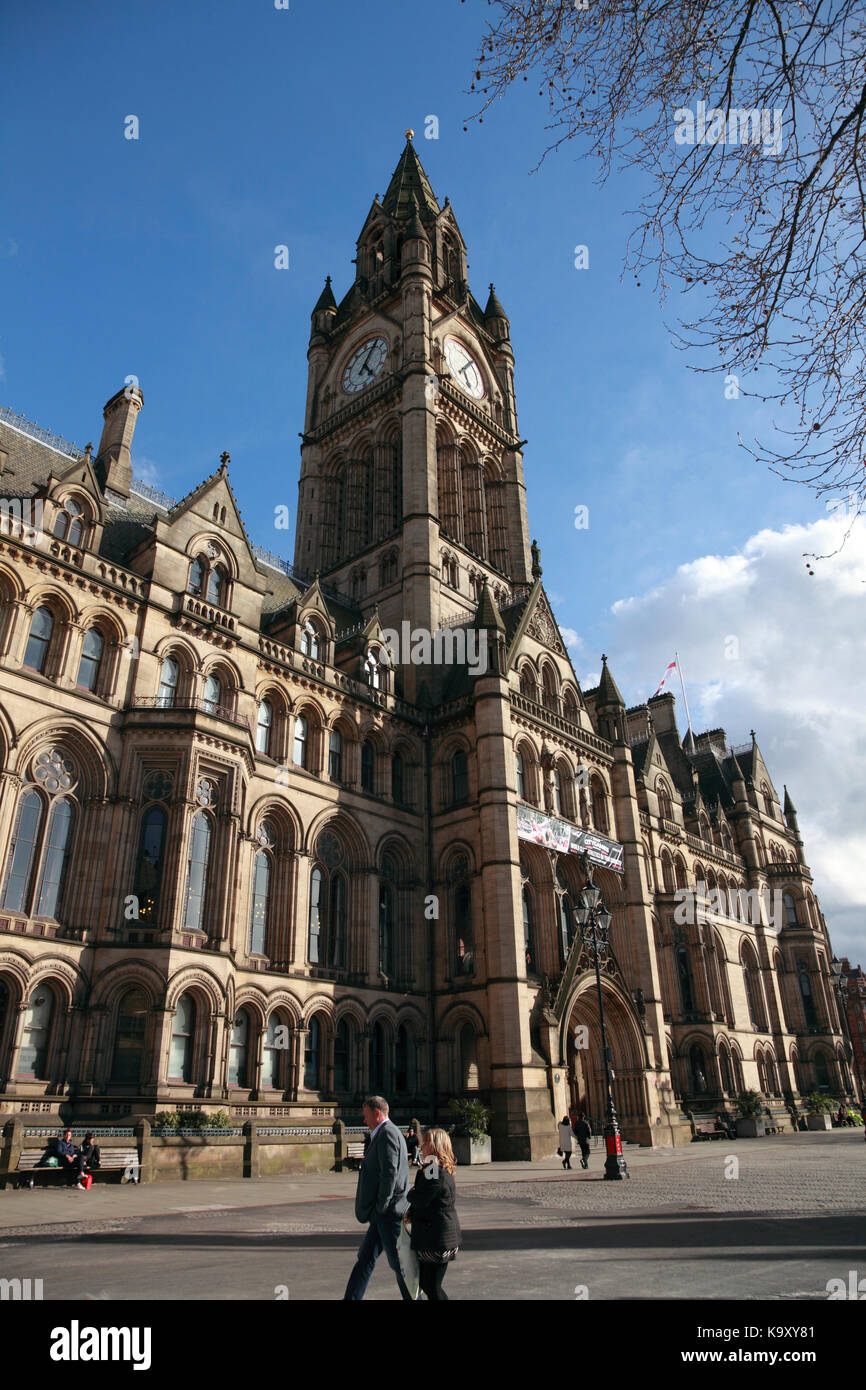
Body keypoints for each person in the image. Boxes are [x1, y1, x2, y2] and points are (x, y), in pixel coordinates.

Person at [344, 1095, 414, 1301]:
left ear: (377, 1113)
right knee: (365, 1258)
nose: (364, 1121)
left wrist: (382, 1205)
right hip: (381, 1213)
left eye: (366, 1116)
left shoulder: (387, 1134)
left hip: (389, 1212)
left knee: (399, 1265)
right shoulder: (384, 1133)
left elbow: (389, 1173)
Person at [405, 1128, 461, 1301]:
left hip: (438, 1239)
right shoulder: (436, 1169)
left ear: (436, 1146)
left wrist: (410, 1194)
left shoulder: (434, 1171)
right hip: (438, 1236)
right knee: (428, 1283)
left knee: (430, 1284)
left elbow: (422, 1199)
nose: (422, 1147)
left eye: (426, 1143)